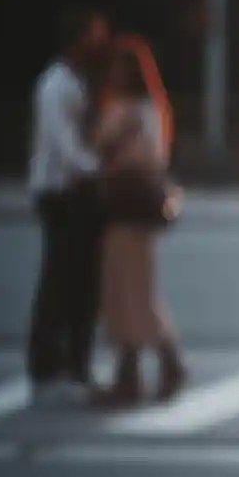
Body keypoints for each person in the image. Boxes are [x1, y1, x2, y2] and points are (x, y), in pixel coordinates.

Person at [89, 34, 187, 407]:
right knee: (135, 289)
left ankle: (142, 368)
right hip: (140, 208)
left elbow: (101, 148)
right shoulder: (153, 109)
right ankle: (150, 365)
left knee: (125, 291)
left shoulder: (124, 110)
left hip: (124, 206)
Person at [25, 9, 110, 407]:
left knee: (84, 285)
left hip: (81, 194)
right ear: (77, 38)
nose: (101, 41)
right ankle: (46, 368)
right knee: (59, 283)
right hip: (61, 194)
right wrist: (100, 169)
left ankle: (77, 366)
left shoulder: (78, 81)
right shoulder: (55, 84)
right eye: (95, 34)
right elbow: (64, 146)